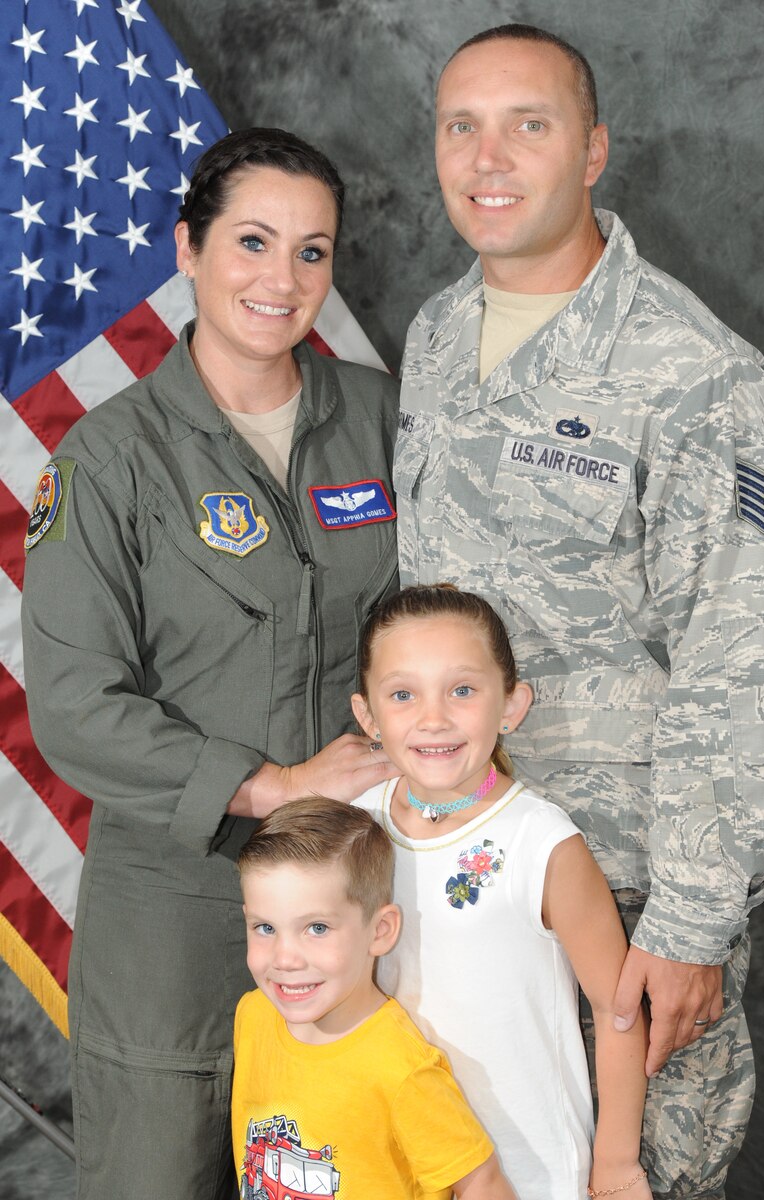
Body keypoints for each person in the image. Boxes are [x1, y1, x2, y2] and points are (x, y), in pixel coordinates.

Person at [395, 23, 764, 1199]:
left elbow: (752, 661)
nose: (489, 157)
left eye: (530, 124)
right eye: (461, 125)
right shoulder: (432, 336)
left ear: (594, 152)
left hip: (628, 902)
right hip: (460, 872)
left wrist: (693, 922)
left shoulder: (694, 371)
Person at [20, 127, 399, 1200]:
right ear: (187, 249)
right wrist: (273, 786)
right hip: (178, 930)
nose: (282, 281)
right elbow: (75, 708)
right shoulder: (107, 462)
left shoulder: (383, 423)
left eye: (313, 252)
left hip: (353, 918)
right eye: (252, 241)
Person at [353, 583, 653, 1200]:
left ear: (511, 705)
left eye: (462, 690)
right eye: (403, 694)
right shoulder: (355, 829)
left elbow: (618, 1009)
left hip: (527, 1165)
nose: (433, 717)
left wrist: (618, 1168)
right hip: (400, 1161)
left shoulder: (541, 842)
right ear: (368, 717)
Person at [233, 797, 514, 1199]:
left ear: (380, 930)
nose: (284, 958)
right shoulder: (253, 1016)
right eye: (264, 927)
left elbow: (482, 1184)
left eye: (316, 928)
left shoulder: (402, 1071)